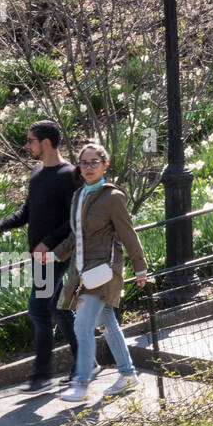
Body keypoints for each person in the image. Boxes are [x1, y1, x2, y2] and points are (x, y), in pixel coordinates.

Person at [0, 121, 81, 394]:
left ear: (45, 143)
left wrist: (47, 244)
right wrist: (0, 224)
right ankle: (86, 363)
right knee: (58, 310)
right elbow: (28, 212)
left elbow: (74, 220)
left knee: (39, 308)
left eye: (30, 141)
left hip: (56, 257)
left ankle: (41, 376)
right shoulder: (38, 172)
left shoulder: (69, 175)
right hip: (41, 258)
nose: (27, 146)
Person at [49, 143, 148, 404]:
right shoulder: (79, 195)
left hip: (104, 270)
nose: (89, 167)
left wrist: (140, 266)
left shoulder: (112, 197)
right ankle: (128, 375)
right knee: (106, 322)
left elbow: (128, 232)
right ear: (79, 168)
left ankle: (81, 383)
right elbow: (75, 236)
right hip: (83, 271)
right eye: (84, 162)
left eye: (95, 162)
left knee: (82, 325)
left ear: (105, 165)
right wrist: (54, 255)